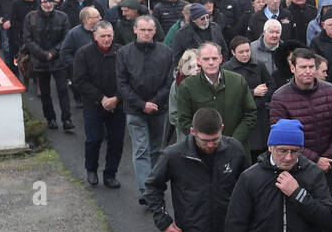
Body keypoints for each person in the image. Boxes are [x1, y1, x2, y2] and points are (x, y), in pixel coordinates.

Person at [268, 48, 332, 232]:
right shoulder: (280, 97)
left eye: (311, 67)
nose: (308, 71)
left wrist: (329, 157)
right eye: (303, 67)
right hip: (298, 166)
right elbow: (280, 138)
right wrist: (315, 160)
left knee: (327, 205)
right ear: (293, 68)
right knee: (304, 213)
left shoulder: (330, 91)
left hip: (327, 161)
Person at [117, 15, 176, 206]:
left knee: (157, 150)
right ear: (135, 30)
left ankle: (154, 185)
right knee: (141, 149)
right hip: (135, 109)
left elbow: (170, 82)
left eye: (150, 30)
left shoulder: (166, 52)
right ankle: (146, 190)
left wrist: (154, 103)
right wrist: (143, 104)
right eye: (143, 29)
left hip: (159, 108)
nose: (147, 33)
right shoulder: (124, 53)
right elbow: (122, 84)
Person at [71, 21, 125, 188]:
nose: (106, 39)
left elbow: (128, 79)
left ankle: (110, 174)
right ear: (95, 36)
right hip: (93, 105)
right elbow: (80, 81)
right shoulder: (83, 53)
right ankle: (91, 169)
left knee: (116, 141)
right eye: (103, 36)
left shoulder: (122, 52)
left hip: (118, 105)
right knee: (94, 139)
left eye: (109, 35)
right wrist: (101, 98)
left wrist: (116, 98)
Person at [173, 42, 256, 143]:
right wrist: (206, 141)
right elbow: (184, 120)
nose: (211, 62)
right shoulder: (187, 86)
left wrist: (234, 140)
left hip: (236, 149)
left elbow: (250, 114)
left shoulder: (238, 81)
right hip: (202, 150)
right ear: (199, 60)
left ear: (220, 59)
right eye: (206, 59)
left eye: (214, 58)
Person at [24, 0, 74, 132]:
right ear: (40, 3)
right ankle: (50, 118)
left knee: (63, 90)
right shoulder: (30, 17)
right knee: (45, 92)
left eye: (50, 1)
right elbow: (28, 40)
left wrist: (53, 52)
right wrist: (43, 54)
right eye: (45, 2)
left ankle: (67, 119)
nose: (48, 5)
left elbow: (66, 38)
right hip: (40, 60)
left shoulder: (62, 17)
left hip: (58, 60)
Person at [224, 36, 278, 161]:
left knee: (261, 150)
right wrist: (253, 92)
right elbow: (228, 93)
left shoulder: (258, 65)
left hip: (260, 113)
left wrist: (261, 98)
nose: (245, 55)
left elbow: (271, 86)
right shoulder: (227, 68)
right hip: (239, 114)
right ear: (233, 52)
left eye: (248, 51)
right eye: (241, 52)